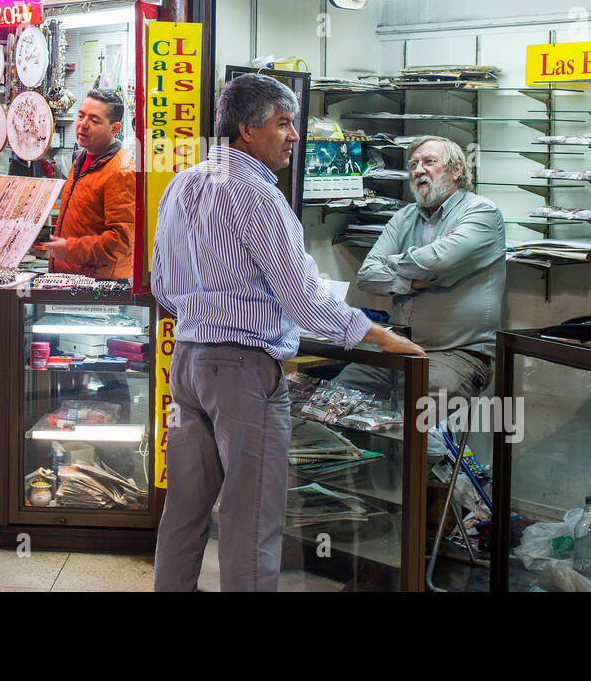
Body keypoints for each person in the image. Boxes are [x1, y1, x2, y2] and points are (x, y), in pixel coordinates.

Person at [150, 74, 424, 592]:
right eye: (283, 124)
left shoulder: (183, 184)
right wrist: (376, 335)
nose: (294, 136)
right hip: (243, 371)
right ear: (248, 130)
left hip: (187, 364)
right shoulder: (258, 195)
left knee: (184, 514)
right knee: (252, 520)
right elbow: (300, 297)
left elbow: (162, 284)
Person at [338, 136, 506, 420]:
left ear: (456, 171)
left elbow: (438, 262)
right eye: (413, 164)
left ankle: (435, 463)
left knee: (412, 426)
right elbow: (367, 275)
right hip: (397, 347)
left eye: (429, 162)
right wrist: (410, 281)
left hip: (455, 354)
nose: (418, 170)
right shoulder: (404, 217)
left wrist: (393, 264)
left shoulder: (481, 213)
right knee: (332, 405)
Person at [43, 89, 136, 280]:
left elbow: (120, 241)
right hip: (70, 278)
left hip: (98, 288)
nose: (83, 125)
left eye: (94, 121)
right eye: (81, 116)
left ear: (115, 128)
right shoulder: (81, 160)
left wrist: (71, 249)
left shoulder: (121, 171)